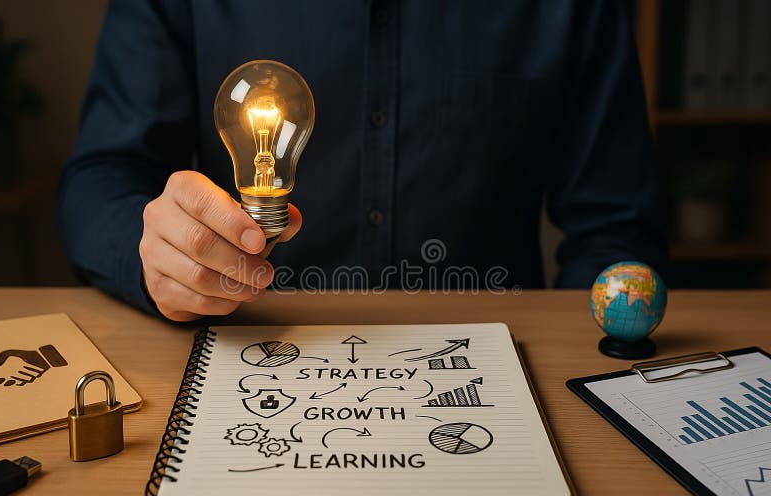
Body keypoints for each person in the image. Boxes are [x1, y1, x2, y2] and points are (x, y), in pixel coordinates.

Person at [59, 0, 666, 322]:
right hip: (249, 353)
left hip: (497, 361)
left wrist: (588, 350)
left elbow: (615, 224)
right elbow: (102, 179)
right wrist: (160, 259)